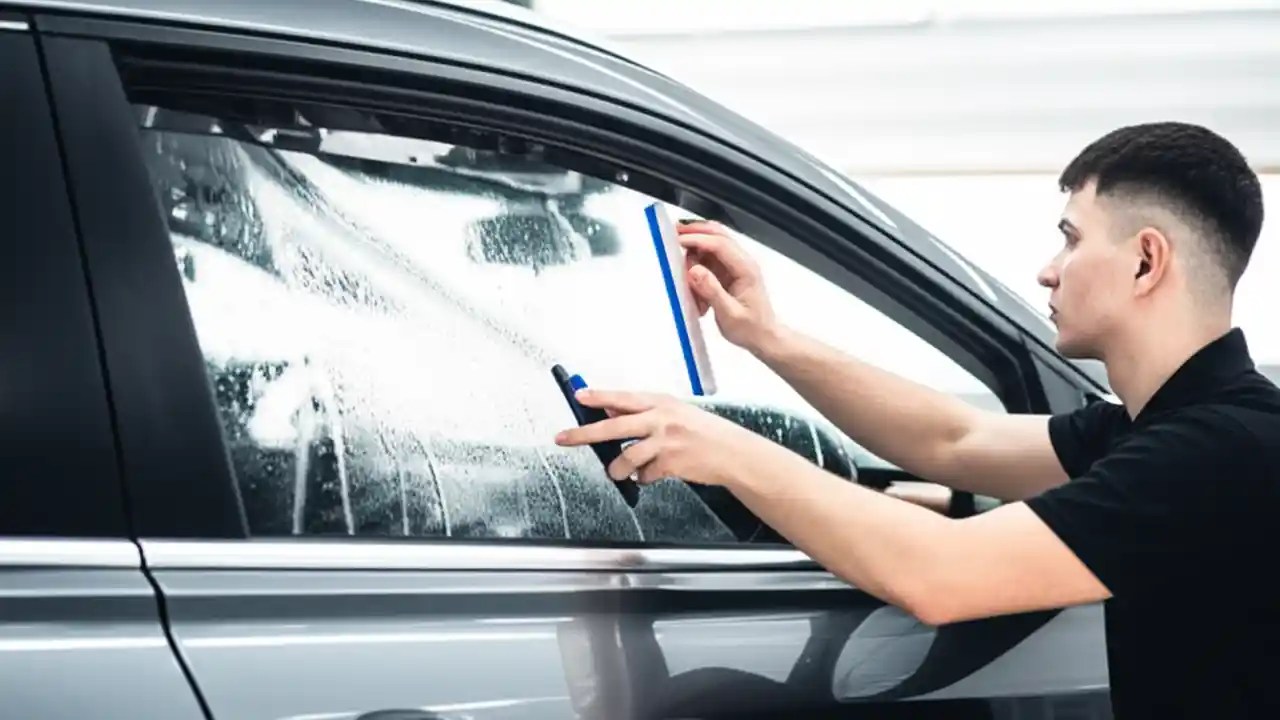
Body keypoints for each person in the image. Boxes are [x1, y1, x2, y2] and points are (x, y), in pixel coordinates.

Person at [555, 121, 1280, 718]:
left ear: (1146, 262)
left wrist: (723, 449)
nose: (1048, 269)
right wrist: (768, 337)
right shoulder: (1166, 427)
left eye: (1072, 238)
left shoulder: (1220, 452)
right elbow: (954, 439)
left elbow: (942, 575)